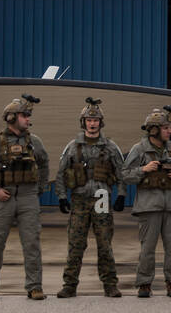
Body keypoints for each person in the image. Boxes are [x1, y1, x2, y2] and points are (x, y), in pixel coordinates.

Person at [54, 97, 127, 298]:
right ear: (83, 122)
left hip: (102, 198)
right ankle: (69, 285)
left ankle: (110, 284)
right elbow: (61, 173)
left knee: (105, 244)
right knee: (76, 244)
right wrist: (61, 197)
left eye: (95, 120)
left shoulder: (110, 146)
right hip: (80, 199)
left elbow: (122, 172)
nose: (92, 123)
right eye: (88, 120)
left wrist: (121, 195)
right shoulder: (73, 146)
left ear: (100, 122)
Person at [0, 95, 49, 300]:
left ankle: (35, 286)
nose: (28, 119)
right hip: (3, 196)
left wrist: (39, 189)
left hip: (28, 196)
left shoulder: (34, 142)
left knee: (32, 242)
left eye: (28, 115)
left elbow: (44, 164)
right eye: (24, 115)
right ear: (11, 117)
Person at [121, 105, 171, 298]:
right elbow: (125, 175)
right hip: (148, 207)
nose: (169, 131)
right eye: (165, 128)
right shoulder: (139, 150)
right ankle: (144, 283)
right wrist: (143, 170)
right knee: (147, 248)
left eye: (169, 127)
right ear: (154, 129)